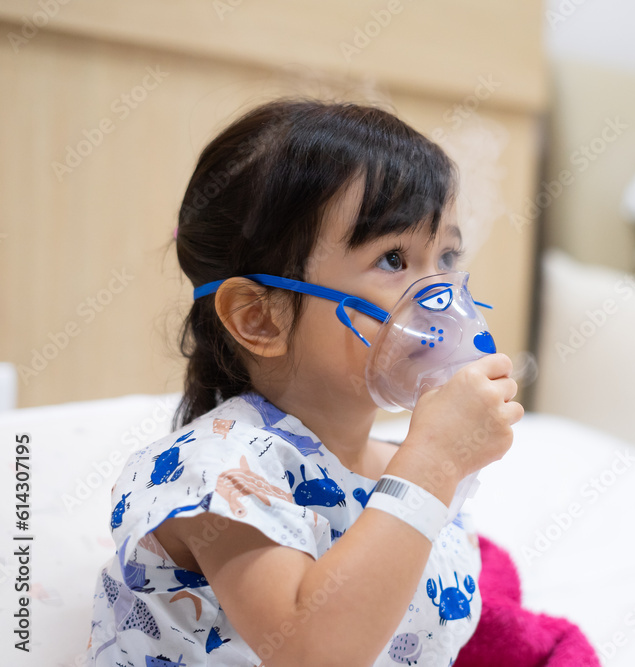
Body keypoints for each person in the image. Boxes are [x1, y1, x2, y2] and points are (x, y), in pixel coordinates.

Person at [85, 98, 523, 667]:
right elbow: (313, 652)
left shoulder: (405, 469)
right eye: (394, 258)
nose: (441, 295)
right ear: (259, 318)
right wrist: (433, 462)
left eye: (445, 256)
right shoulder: (219, 470)